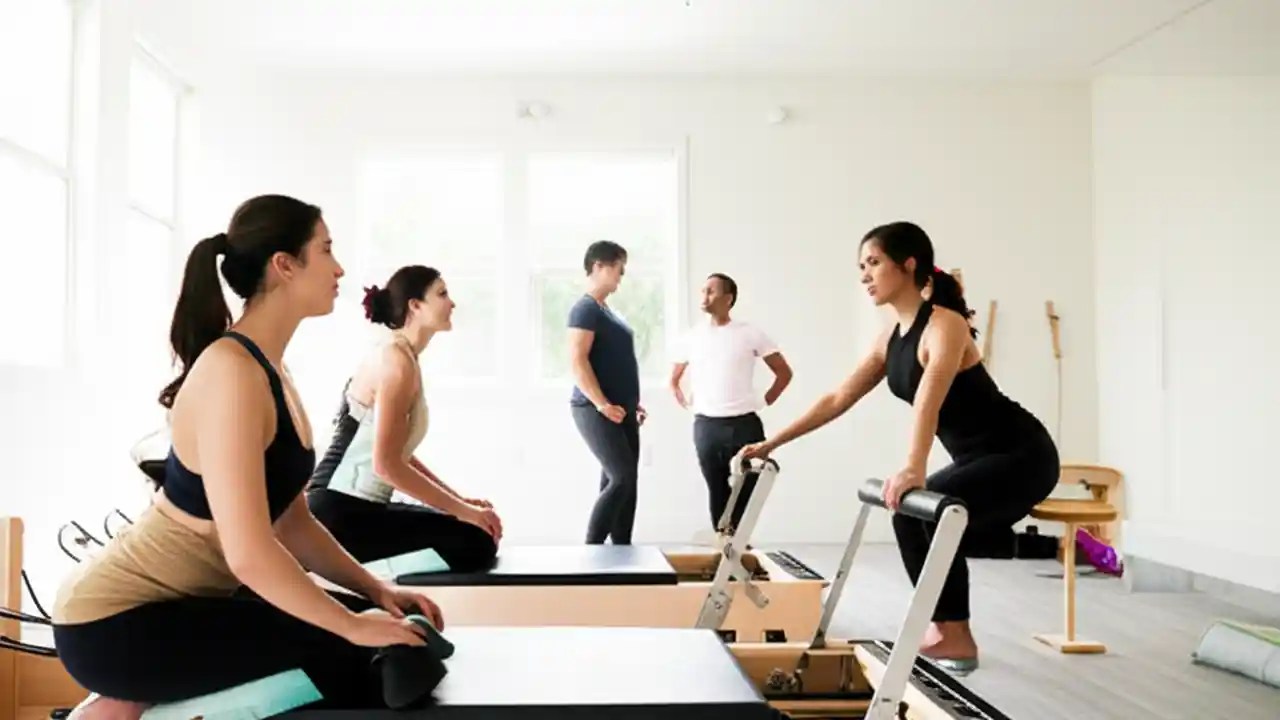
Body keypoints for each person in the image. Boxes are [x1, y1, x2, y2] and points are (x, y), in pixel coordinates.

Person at [51, 195, 444, 718]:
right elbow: (249, 553)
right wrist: (351, 625)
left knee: (404, 638)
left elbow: (293, 522)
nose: (340, 267)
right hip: (118, 621)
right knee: (368, 657)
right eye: (326, 250)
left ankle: (125, 704)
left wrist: (374, 590)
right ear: (284, 265)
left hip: (189, 604)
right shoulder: (232, 373)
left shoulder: (271, 371)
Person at [742, 221, 1058, 672]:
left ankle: (954, 629)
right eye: (861, 266)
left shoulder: (945, 326)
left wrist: (913, 467)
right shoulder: (890, 338)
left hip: (1023, 454)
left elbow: (928, 400)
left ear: (908, 265)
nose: (864, 275)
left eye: (873, 263)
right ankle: (953, 634)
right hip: (980, 458)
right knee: (909, 515)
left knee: (925, 509)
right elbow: (837, 398)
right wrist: (773, 441)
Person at [306, 265, 502, 570]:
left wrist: (461, 503)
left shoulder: (403, 356)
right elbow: (386, 465)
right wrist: (462, 511)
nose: (452, 303)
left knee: (475, 532)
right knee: (475, 542)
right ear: (415, 305)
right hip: (338, 511)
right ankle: (354, 573)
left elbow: (400, 456)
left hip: (359, 509)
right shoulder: (395, 362)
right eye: (442, 294)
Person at [670, 272, 792, 531]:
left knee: (749, 485)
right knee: (716, 487)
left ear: (728, 298)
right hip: (707, 426)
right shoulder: (691, 337)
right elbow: (674, 379)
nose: (705, 296)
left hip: (745, 424)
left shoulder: (750, 333)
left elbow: (784, 373)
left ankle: (737, 539)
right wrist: (686, 400)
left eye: (711, 291)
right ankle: (724, 544)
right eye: (703, 291)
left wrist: (763, 400)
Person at [567, 240, 647, 545]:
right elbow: (577, 360)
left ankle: (622, 551)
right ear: (598, 266)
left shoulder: (607, 311)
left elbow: (616, 361)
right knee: (621, 479)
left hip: (622, 409)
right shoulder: (584, 309)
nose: (621, 275)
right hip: (594, 408)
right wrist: (602, 404)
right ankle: (593, 551)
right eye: (618, 268)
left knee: (627, 482)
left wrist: (632, 402)